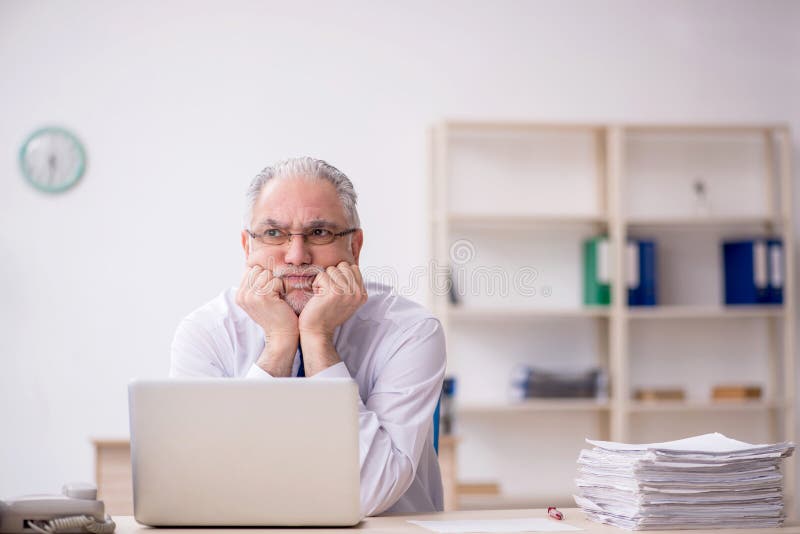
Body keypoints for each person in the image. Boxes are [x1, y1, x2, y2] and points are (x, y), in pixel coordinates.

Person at [169, 157, 446, 516]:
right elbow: (213, 487)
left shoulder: (410, 331)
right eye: (273, 233)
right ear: (247, 246)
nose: (297, 256)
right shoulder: (205, 333)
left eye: (319, 233)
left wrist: (317, 338)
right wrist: (280, 343)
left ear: (355, 247)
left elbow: (368, 493)